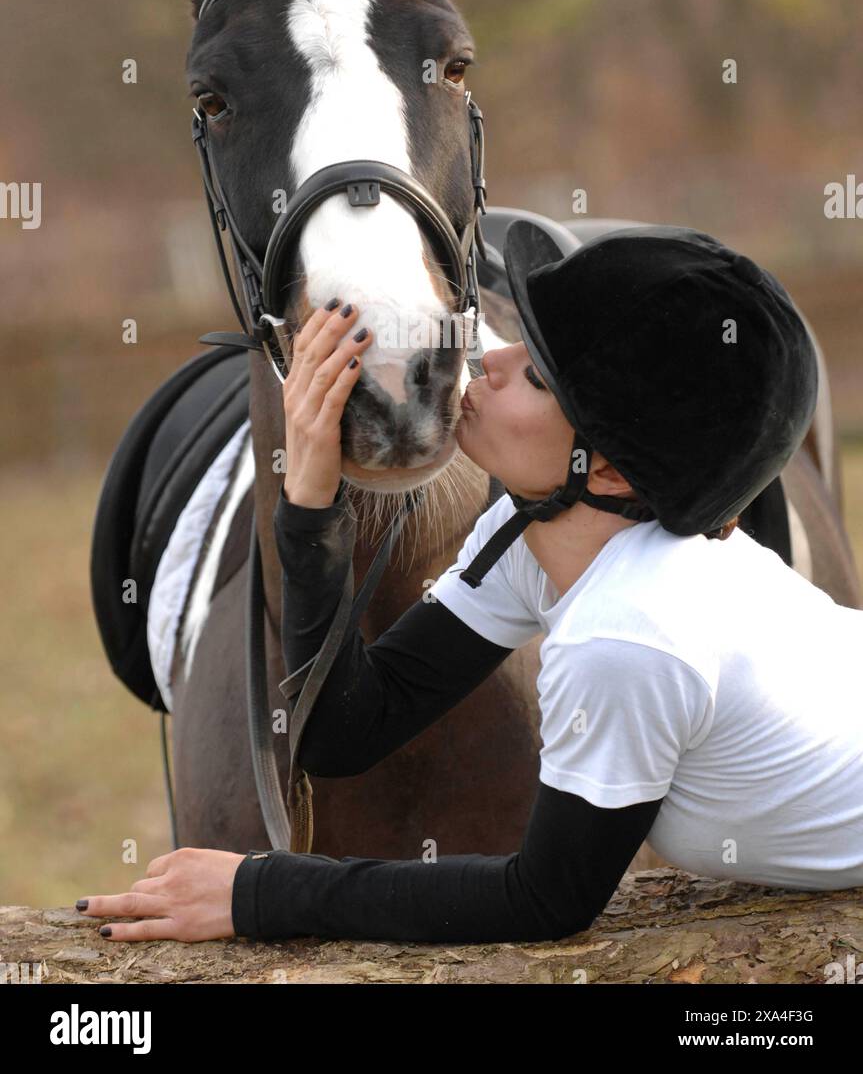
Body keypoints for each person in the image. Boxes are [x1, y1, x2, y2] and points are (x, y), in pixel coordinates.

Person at [80, 223, 863, 946]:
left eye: (538, 380)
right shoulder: (534, 535)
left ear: (613, 471)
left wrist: (260, 891)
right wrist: (312, 502)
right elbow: (341, 731)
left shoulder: (626, 636)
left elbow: (547, 901)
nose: (487, 361)